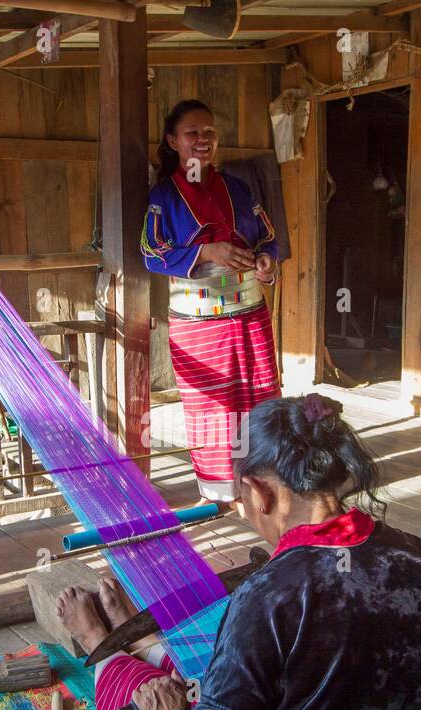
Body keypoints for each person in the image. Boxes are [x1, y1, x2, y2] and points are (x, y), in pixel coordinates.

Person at [56, 394, 421, 710]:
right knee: (230, 676)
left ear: (261, 491)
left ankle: (104, 644)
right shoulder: (413, 552)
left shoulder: (268, 597)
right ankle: (146, 641)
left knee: (135, 698)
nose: (248, 513)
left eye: (242, 500)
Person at [141, 99, 281, 502]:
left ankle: (262, 482)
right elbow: (151, 251)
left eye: (210, 133)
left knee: (260, 395)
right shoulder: (163, 196)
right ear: (173, 141)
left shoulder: (237, 188)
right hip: (198, 320)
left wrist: (267, 263)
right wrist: (206, 253)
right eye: (192, 133)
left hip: (251, 313)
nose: (203, 140)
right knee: (213, 406)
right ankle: (218, 491)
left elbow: (267, 238)